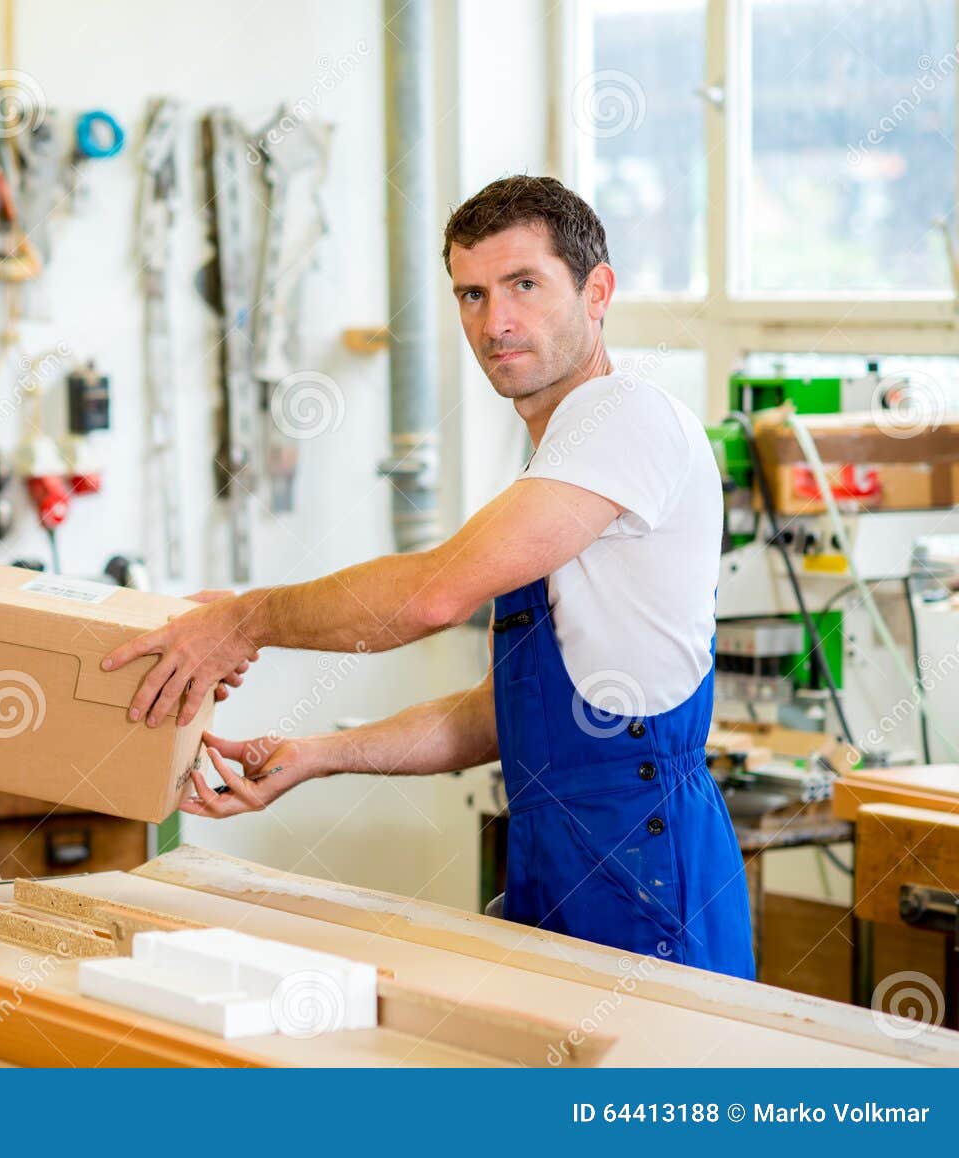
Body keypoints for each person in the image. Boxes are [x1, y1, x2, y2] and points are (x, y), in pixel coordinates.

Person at [103, 175, 753, 979]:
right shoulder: (558, 459)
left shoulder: (622, 416)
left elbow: (432, 594)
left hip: (649, 868)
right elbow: (501, 716)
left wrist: (241, 622)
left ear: (597, 292)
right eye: (471, 295)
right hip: (559, 863)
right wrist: (319, 754)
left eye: (524, 285)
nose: (496, 322)